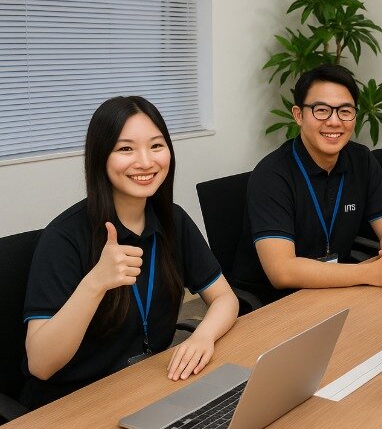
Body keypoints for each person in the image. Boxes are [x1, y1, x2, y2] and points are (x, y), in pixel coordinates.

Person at [22, 97, 239, 409]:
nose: (146, 161)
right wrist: (95, 283)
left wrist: (202, 336)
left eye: (156, 146)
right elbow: (41, 364)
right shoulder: (64, 237)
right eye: (126, 149)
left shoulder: (172, 220)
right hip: (73, 406)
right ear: (100, 157)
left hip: (147, 388)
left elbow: (225, 298)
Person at [232, 64, 382, 305]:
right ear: (298, 115)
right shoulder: (271, 175)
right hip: (274, 305)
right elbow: (282, 271)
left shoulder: (362, 160)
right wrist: (368, 273)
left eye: (345, 111)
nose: (334, 121)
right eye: (322, 110)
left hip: (336, 290)